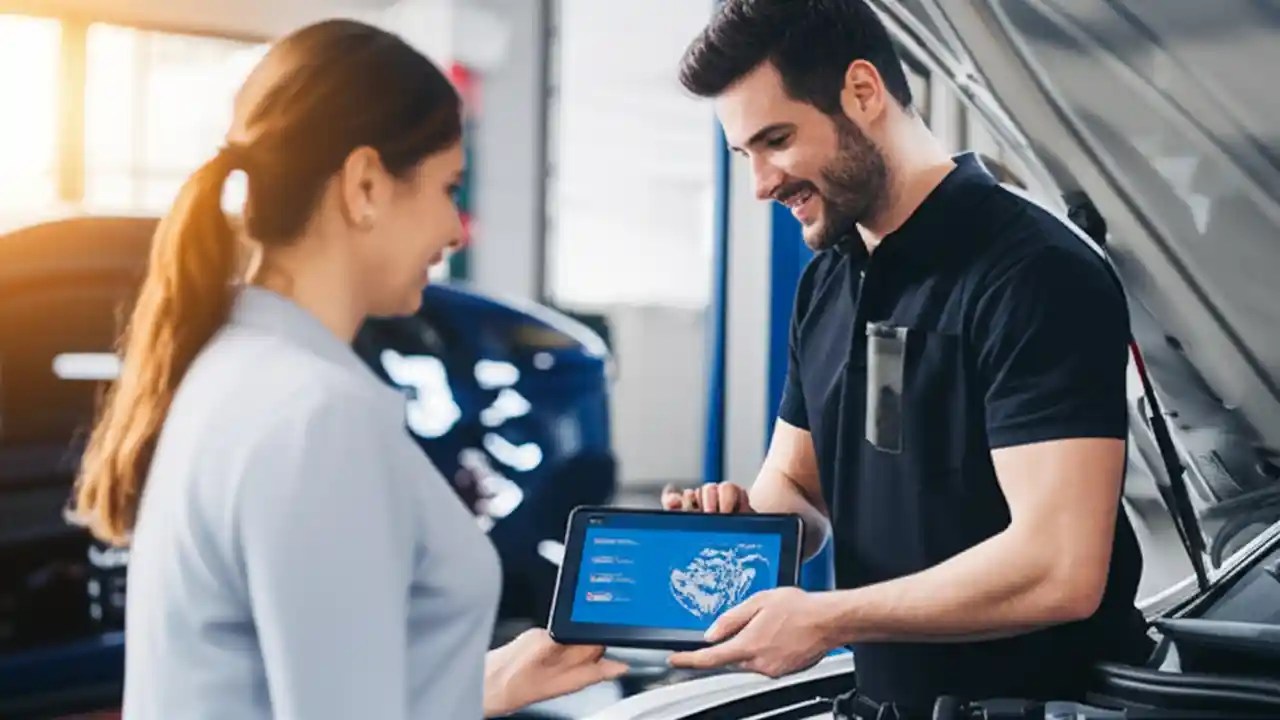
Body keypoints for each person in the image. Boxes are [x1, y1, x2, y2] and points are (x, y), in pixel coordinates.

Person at [69, 19, 626, 720]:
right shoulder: (318, 413)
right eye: (447, 188)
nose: (454, 230)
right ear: (365, 185)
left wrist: (491, 682)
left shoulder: (230, 370)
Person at [661, 0, 1152, 714]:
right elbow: (797, 486)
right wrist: (747, 533)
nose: (762, 183)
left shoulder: (1034, 272)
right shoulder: (828, 280)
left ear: (863, 92)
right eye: (746, 155)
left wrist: (830, 617)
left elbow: (1060, 568)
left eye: (776, 140)